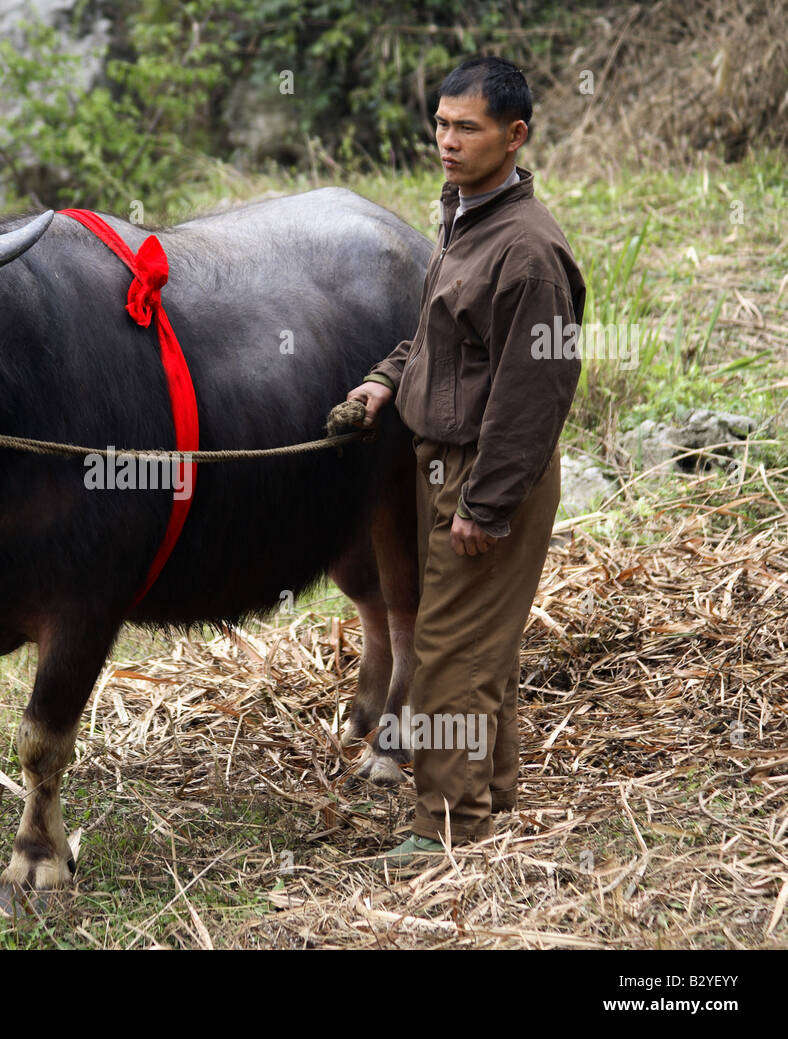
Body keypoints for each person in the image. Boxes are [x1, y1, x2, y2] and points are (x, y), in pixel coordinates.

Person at [346, 56, 585, 874]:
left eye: (468, 128)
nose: (447, 141)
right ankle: (492, 792)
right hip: (440, 462)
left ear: (515, 136)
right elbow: (438, 338)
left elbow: (534, 390)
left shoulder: (527, 252)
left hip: (488, 472)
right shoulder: (465, 218)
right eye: (442, 123)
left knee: (449, 651)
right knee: (478, 644)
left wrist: (485, 505)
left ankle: (446, 823)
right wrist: (384, 381)